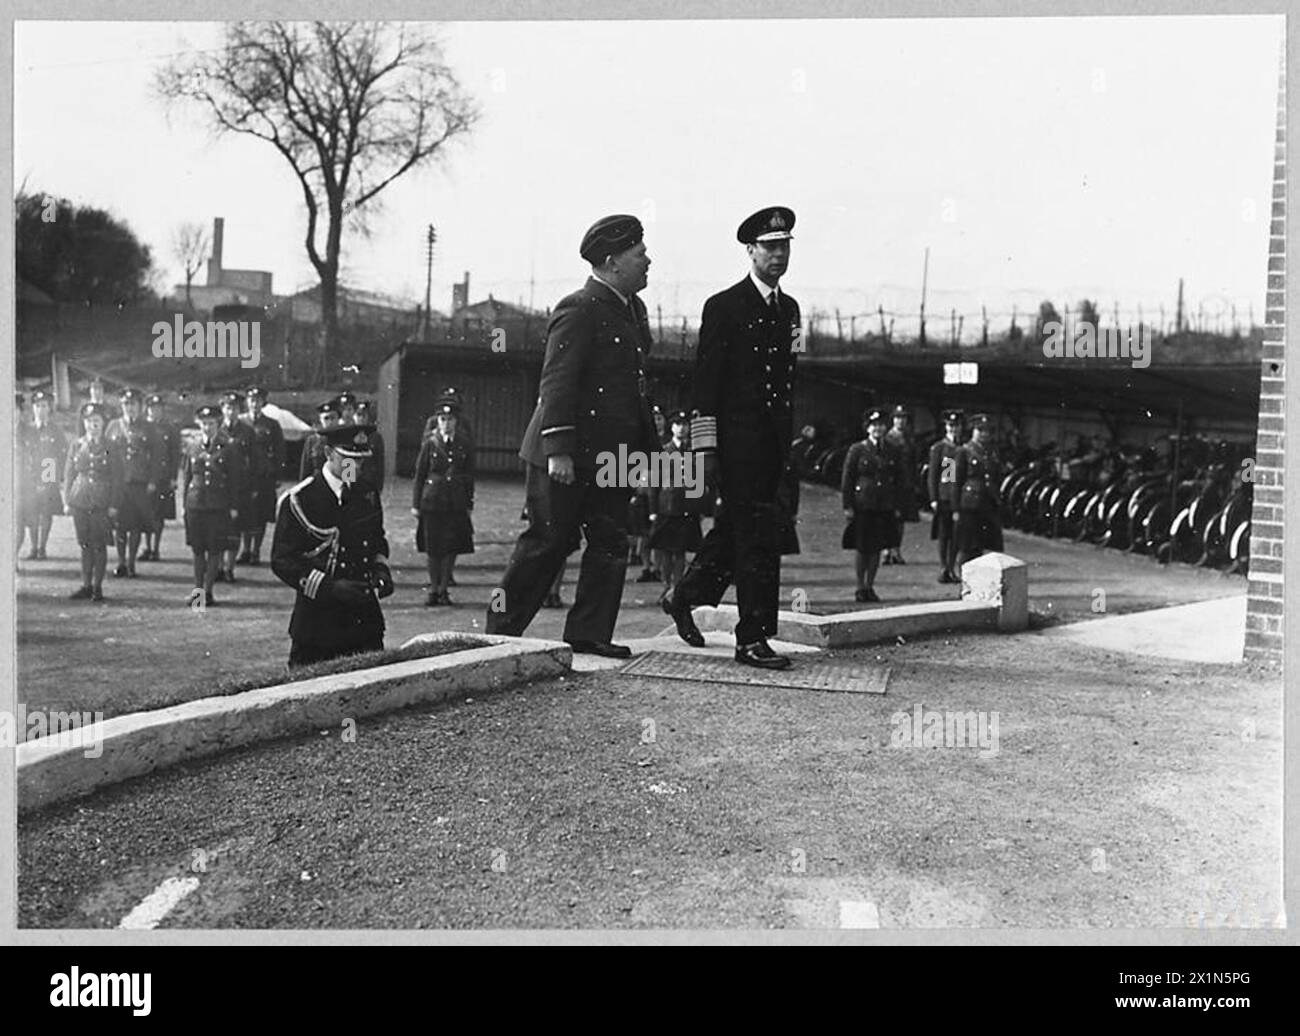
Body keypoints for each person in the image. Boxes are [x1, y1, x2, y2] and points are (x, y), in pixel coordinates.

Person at [485, 213, 656, 658]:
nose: (648, 261)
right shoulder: (578, 307)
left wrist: (642, 457)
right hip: (564, 455)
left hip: (611, 457)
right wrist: (559, 449)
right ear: (613, 261)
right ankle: (496, 635)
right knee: (548, 542)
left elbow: (634, 392)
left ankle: (589, 633)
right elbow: (556, 382)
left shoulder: (632, 311)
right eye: (639, 255)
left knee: (611, 542)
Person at [662, 206, 801, 669]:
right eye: (770, 246)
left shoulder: (791, 311)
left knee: (736, 534)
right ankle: (752, 638)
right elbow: (705, 386)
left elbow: (790, 379)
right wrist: (706, 450)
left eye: (784, 246)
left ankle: (683, 595)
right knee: (758, 539)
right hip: (734, 449)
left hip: (773, 449)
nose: (778, 255)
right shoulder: (723, 307)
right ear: (750, 251)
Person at [271, 423, 394, 668]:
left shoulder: (366, 493)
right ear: (328, 454)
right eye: (349, 460)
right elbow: (282, 560)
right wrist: (329, 586)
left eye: (361, 460)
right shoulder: (299, 499)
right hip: (318, 621)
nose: (357, 467)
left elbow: (376, 539)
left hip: (363, 618)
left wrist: (381, 568)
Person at [412, 402, 476, 606]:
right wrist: (416, 504)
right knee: (433, 546)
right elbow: (420, 474)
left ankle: (443, 589)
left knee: (450, 546)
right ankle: (432, 589)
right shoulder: (430, 443)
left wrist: (469, 501)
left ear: (456, 422)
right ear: (437, 422)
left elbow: (469, 474)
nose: (446, 424)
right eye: (442, 420)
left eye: (450, 420)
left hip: (455, 501)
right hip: (432, 501)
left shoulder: (464, 443)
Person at [181, 404, 244, 607]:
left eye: (211, 424)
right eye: (204, 424)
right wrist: (184, 504)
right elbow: (187, 476)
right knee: (198, 550)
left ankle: (208, 592)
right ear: (199, 424)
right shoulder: (193, 446)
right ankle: (198, 593)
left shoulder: (229, 447)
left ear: (218, 424)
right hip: (196, 504)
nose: (207, 427)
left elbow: (235, 479)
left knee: (215, 550)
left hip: (218, 505)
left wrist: (234, 506)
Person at [841, 408, 906, 603]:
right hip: (863, 505)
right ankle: (860, 586)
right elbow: (848, 479)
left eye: (881, 425)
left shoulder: (892, 449)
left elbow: (898, 478)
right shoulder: (857, 449)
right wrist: (848, 505)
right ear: (867, 428)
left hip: (883, 505)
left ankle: (870, 585)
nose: (878, 429)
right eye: (874, 425)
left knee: (877, 547)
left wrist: (897, 504)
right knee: (863, 547)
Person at [62, 402, 122, 601]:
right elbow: (69, 474)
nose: (92, 425)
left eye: (96, 421)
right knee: (85, 544)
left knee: (99, 544)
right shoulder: (77, 444)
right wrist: (67, 500)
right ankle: (86, 585)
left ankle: (97, 587)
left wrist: (114, 504)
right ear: (84, 423)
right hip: (80, 499)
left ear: (103, 423)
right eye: (89, 421)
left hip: (101, 501)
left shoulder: (111, 446)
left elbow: (118, 478)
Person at [105, 388, 161, 578]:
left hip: (139, 482)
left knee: (136, 525)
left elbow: (156, 457)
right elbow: (105, 455)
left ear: (140, 406)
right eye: (126, 404)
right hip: (118, 483)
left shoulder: (149, 427)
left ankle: (131, 563)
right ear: (122, 406)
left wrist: (153, 480)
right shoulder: (113, 426)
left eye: (133, 404)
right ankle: (120, 562)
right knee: (120, 525)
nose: (130, 408)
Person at [648, 410, 703, 595]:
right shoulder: (664, 451)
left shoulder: (692, 451)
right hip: (667, 506)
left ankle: (677, 587)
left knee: (680, 550)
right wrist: (653, 509)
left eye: (685, 424)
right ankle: (666, 585)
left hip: (686, 506)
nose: (682, 428)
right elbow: (654, 482)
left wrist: (699, 507)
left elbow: (698, 480)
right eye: (678, 425)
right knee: (665, 550)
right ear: (671, 428)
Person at [238, 387, 286, 566]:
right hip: (244, 475)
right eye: (251, 400)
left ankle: (256, 550)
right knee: (244, 513)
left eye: (258, 400)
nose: (254, 404)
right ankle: (245, 549)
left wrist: (278, 474)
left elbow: (280, 451)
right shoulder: (241, 422)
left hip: (264, 475)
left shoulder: (272, 424)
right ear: (247, 402)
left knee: (261, 515)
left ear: (263, 403)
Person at [21, 390, 67, 561]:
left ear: (49, 408)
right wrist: (32, 480)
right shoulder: (27, 429)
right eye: (38, 406)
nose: (41, 409)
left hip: (48, 476)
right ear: (33, 408)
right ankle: (33, 547)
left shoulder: (55, 430)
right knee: (32, 514)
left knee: (46, 513)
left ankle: (42, 547)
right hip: (30, 479)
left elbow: (61, 455)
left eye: (44, 406)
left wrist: (50, 479)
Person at [954, 413, 1005, 567]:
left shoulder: (991, 452)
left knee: (983, 546)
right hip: (969, 505)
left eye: (988, 431)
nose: (984, 434)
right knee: (968, 547)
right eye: (980, 430)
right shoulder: (962, 451)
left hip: (988, 503)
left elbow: (996, 477)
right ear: (972, 431)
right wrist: (955, 508)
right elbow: (954, 482)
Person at [927, 409, 965, 584]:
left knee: (956, 536)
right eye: (951, 426)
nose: (954, 429)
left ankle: (951, 566)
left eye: (956, 426)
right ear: (945, 427)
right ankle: (944, 567)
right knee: (944, 534)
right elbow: (933, 475)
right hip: (944, 497)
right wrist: (934, 498)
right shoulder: (939, 448)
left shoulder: (963, 448)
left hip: (959, 498)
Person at [142, 393, 181, 562]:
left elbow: (175, 454)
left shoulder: (170, 428)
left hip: (163, 477)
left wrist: (173, 477)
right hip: (144, 476)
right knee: (145, 513)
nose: (155, 411)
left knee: (159, 514)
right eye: (152, 408)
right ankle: (146, 546)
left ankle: (155, 548)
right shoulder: (142, 426)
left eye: (158, 408)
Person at [883, 404, 919, 565]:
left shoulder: (909, 438)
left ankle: (896, 550)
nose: (900, 421)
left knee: (900, 519)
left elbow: (913, 462)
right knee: (887, 517)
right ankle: (886, 550)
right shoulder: (886, 438)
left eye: (903, 418)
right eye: (898, 418)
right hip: (890, 484)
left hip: (905, 483)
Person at [299, 400, 341, 480]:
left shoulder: (346, 439)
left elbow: (349, 472)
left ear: (338, 418)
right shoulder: (313, 441)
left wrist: (349, 490)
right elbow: (306, 468)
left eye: (333, 417)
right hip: (318, 486)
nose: (330, 421)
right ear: (321, 420)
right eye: (326, 418)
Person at [354, 399, 386, 494]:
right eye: (358, 415)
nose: (361, 419)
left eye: (364, 416)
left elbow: (379, 463)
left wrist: (379, 487)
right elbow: (348, 459)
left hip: (369, 482)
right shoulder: (348, 436)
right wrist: (348, 483)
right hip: (353, 481)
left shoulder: (375, 437)